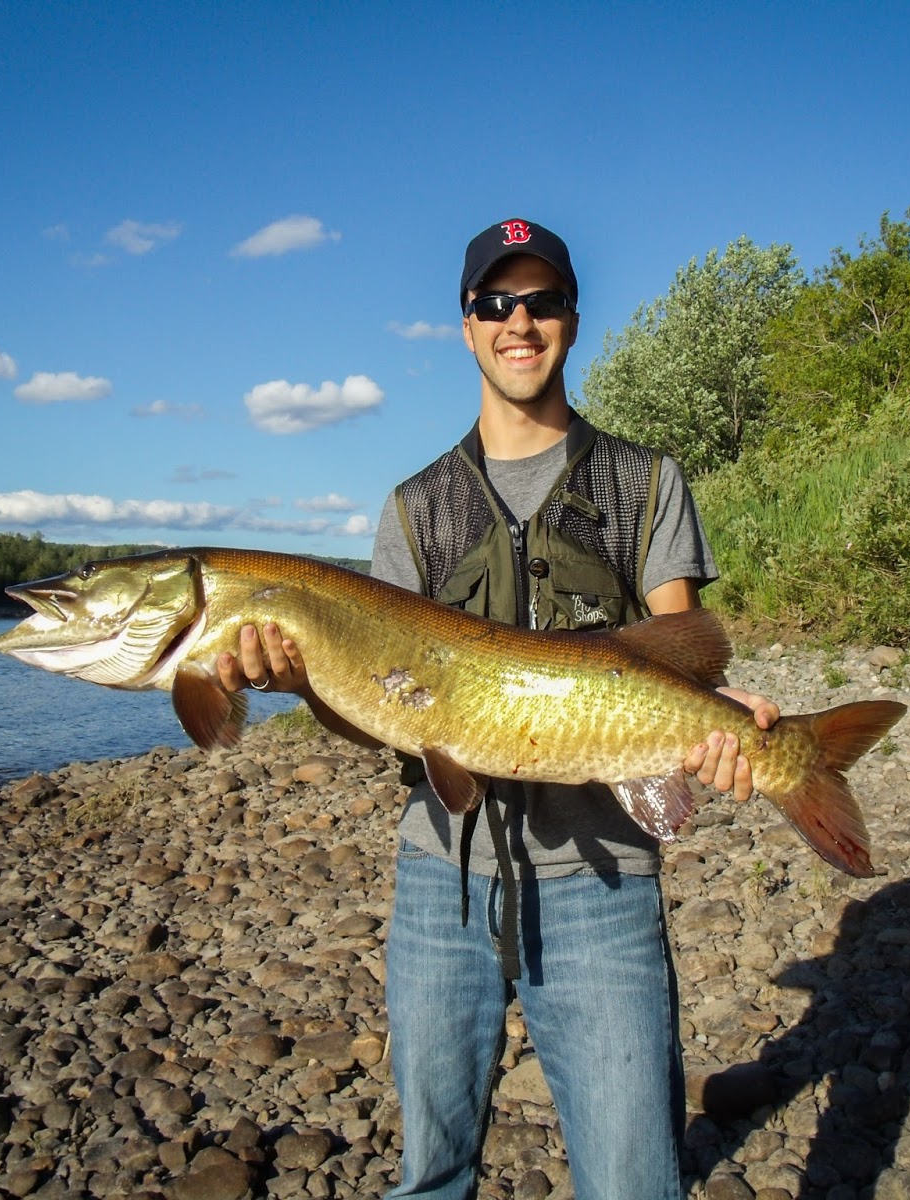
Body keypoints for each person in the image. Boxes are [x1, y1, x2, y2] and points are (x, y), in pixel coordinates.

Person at [216, 218, 775, 1200]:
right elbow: (375, 712)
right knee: (430, 1179)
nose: (519, 322)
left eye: (540, 301)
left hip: (601, 885)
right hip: (443, 879)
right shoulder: (416, 506)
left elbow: (680, 656)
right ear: (465, 326)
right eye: (495, 304)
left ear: (569, 317)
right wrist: (302, 678)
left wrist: (725, 733)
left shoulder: (646, 483)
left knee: (636, 1183)